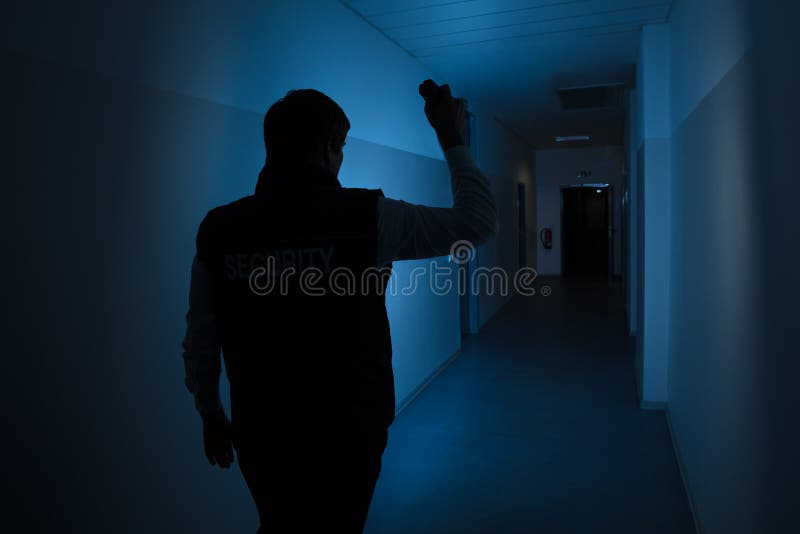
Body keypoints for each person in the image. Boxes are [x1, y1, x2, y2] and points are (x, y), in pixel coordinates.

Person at [182, 81, 497, 532]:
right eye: (342, 146)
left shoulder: (219, 229)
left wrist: (210, 411)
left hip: (261, 431)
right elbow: (477, 222)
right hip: (350, 431)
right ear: (329, 146)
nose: (342, 158)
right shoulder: (368, 217)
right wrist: (451, 136)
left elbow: (202, 337)